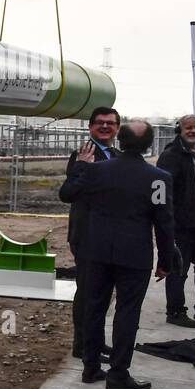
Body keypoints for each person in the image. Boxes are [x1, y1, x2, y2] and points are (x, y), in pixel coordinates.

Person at [60, 120, 179, 389]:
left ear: (119, 140)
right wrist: (165, 261)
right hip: (134, 254)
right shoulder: (158, 178)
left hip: (95, 250)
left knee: (94, 308)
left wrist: (80, 166)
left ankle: (90, 367)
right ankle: (118, 373)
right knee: (127, 312)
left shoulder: (94, 171)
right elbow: (164, 222)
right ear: (149, 145)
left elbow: (66, 194)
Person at [60, 107, 120, 359]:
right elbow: (70, 192)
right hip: (86, 235)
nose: (105, 127)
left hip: (108, 234)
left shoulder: (116, 155)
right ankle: (82, 345)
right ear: (90, 127)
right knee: (87, 292)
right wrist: (83, 168)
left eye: (110, 123)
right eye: (100, 123)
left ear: (117, 127)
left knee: (103, 292)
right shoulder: (83, 154)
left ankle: (95, 341)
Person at [156, 114, 195, 327]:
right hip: (183, 224)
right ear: (180, 129)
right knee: (179, 269)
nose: (194, 131)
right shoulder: (172, 155)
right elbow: (163, 192)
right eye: (189, 128)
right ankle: (176, 311)